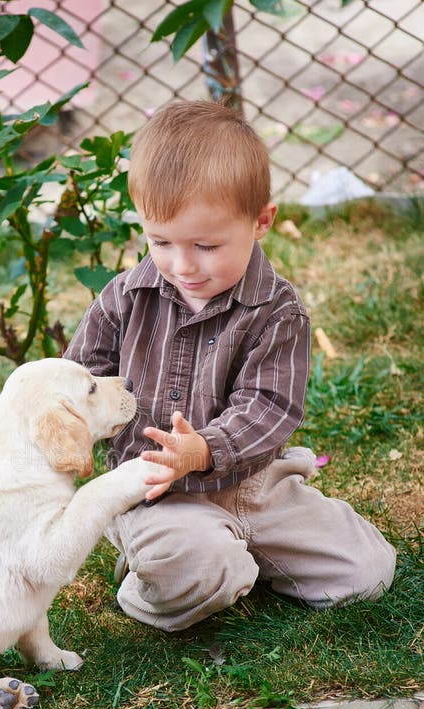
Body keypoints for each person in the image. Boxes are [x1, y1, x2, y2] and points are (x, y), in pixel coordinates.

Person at [64, 100, 396, 631]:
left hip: (255, 485)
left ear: (261, 221)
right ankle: (161, 575)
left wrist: (206, 450)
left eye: (207, 245)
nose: (182, 265)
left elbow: (270, 406)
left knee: (368, 572)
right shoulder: (125, 298)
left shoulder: (277, 311)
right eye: (161, 242)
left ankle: (240, 548)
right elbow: (79, 377)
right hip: (159, 495)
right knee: (195, 568)